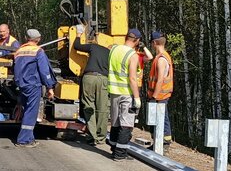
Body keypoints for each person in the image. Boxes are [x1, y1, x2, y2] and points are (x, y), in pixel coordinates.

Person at [13, 28, 56, 148]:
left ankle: (30, 138)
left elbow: (15, 68)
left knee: (27, 110)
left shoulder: (19, 51)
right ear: (38, 39)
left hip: (22, 85)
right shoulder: (38, 51)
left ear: (27, 38)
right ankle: (23, 140)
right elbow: (44, 71)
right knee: (31, 112)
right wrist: (49, 87)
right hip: (33, 85)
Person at [71, 24, 111, 146]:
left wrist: (78, 34)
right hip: (103, 79)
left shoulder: (94, 47)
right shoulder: (110, 53)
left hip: (89, 77)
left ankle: (92, 136)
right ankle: (101, 137)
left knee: (89, 107)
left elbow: (77, 46)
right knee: (102, 109)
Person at [108, 28, 142, 160]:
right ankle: (120, 154)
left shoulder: (114, 50)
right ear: (137, 41)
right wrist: (137, 97)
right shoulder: (132, 55)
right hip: (126, 93)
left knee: (115, 122)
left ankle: (113, 148)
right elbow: (132, 78)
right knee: (126, 123)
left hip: (113, 91)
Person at [147, 30, 174, 144]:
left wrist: (154, 96)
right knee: (162, 119)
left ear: (154, 43)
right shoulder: (163, 56)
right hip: (162, 94)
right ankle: (160, 142)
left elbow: (159, 81)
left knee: (161, 119)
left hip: (160, 95)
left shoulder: (161, 60)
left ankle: (164, 142)